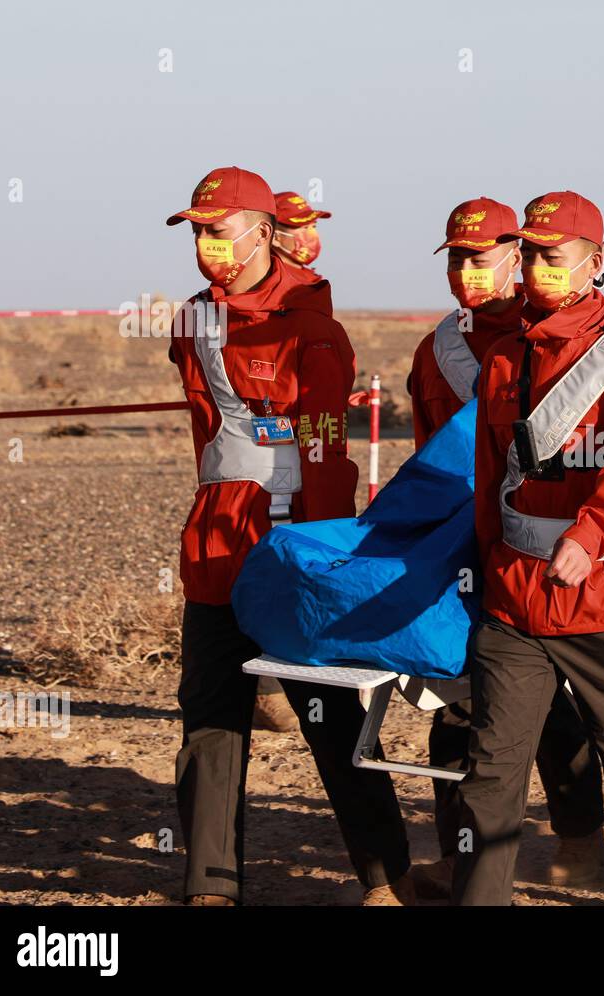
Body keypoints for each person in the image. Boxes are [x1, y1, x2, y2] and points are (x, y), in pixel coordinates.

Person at [166, 166, 413, 906]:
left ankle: (384, 878)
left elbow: (326, 452)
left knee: (330, 720)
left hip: (293, 552)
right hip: (214, 549)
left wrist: (321, 557)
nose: (207, 245)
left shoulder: (314, 329)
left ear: (263, 232)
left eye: (218, 230)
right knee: (209, 721)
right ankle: (210, 886)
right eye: (198, 232)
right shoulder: (191, 321)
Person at [452, 190, 604, 906]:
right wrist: (488, 565)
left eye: (553, 255)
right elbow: (492, 477)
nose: (537, 268)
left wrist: (590, 532)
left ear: (592, 262)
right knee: (492, 769)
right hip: (516, 603)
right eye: (530, 255)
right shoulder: (504, 359)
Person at [405, 197, 604, 898]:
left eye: (480, 258)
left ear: (516, 258)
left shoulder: (546, 333)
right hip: (461, 544)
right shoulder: (436, 350)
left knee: (545, 700)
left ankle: (580, 836)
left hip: (541, 542)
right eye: (456, 258)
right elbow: (426, 454)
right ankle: (461, 859)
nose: (467, 272)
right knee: (456, 696)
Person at [246, 189, 338, 733]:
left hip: (316, 450)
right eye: (295, 228)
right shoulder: (271, 295)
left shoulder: (311, 290)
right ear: (268, 236)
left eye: (313, 225)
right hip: (277, 460)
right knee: (280, 560)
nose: (308, 238)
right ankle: (271, 689)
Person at [272, 190, 331, 282]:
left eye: (313, 226)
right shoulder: (277, 281)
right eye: (304, 228)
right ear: (275, 238)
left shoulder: (307, 277)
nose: (312, 234)